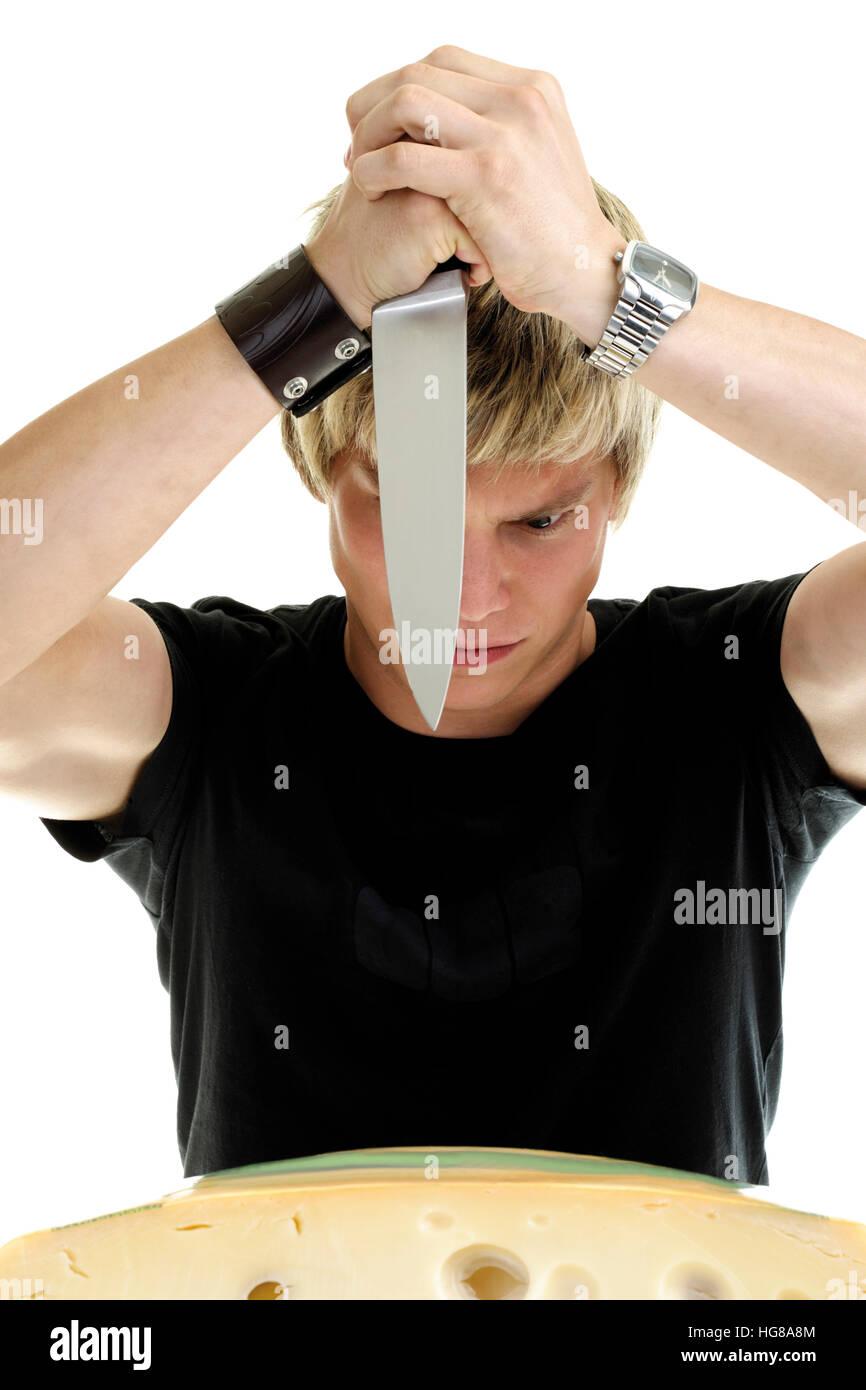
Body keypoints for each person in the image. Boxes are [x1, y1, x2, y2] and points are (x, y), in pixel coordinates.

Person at [2, 46, 865, 1188]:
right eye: (402, 507)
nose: (462, 603)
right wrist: (312, 303)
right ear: (320, 467)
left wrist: (611, 285)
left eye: (538, 524)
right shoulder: (202, 719)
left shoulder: (737, 697)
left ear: (614, 488)